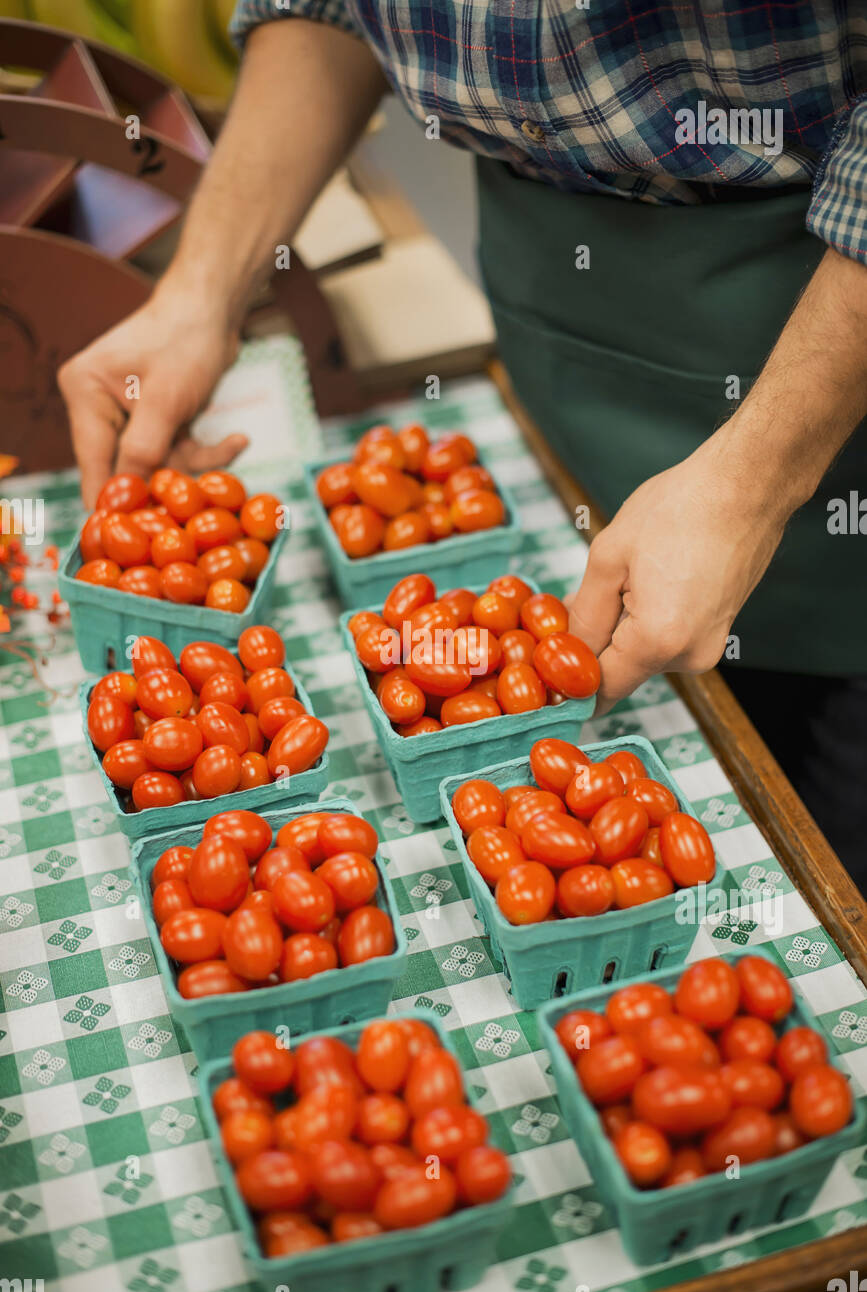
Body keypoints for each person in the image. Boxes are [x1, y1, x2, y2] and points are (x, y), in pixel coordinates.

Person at [58, 4, 867, 891]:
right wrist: (198, 297)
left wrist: (752, 479)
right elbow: (328, 11)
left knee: (832, 836)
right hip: (562, 296)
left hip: (827, 311)